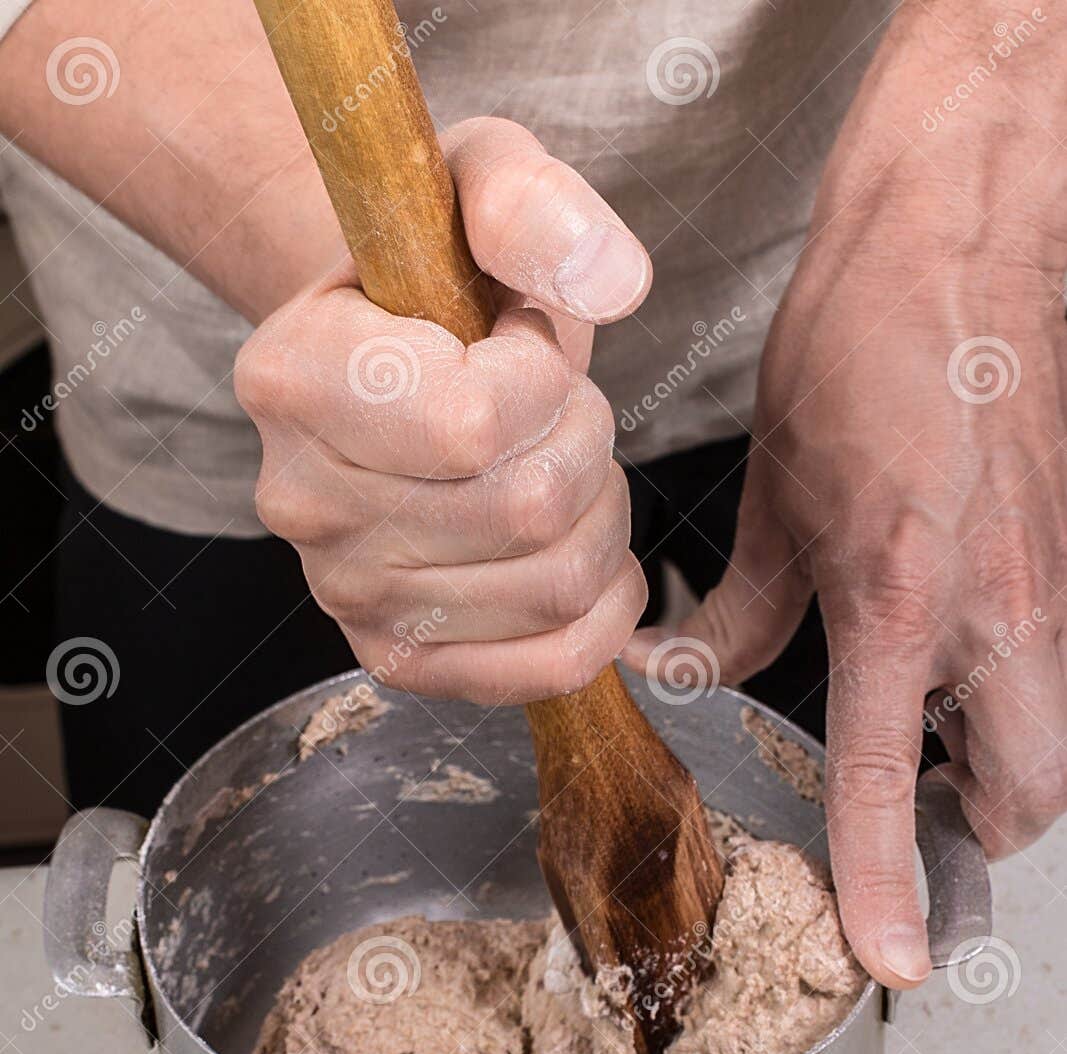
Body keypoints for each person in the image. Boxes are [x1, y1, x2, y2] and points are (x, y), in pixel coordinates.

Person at [1, 0, 1064, 994]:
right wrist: (377, 346)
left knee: (866, 808)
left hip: (847, 299)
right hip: (274, 380)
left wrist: (966, 218)